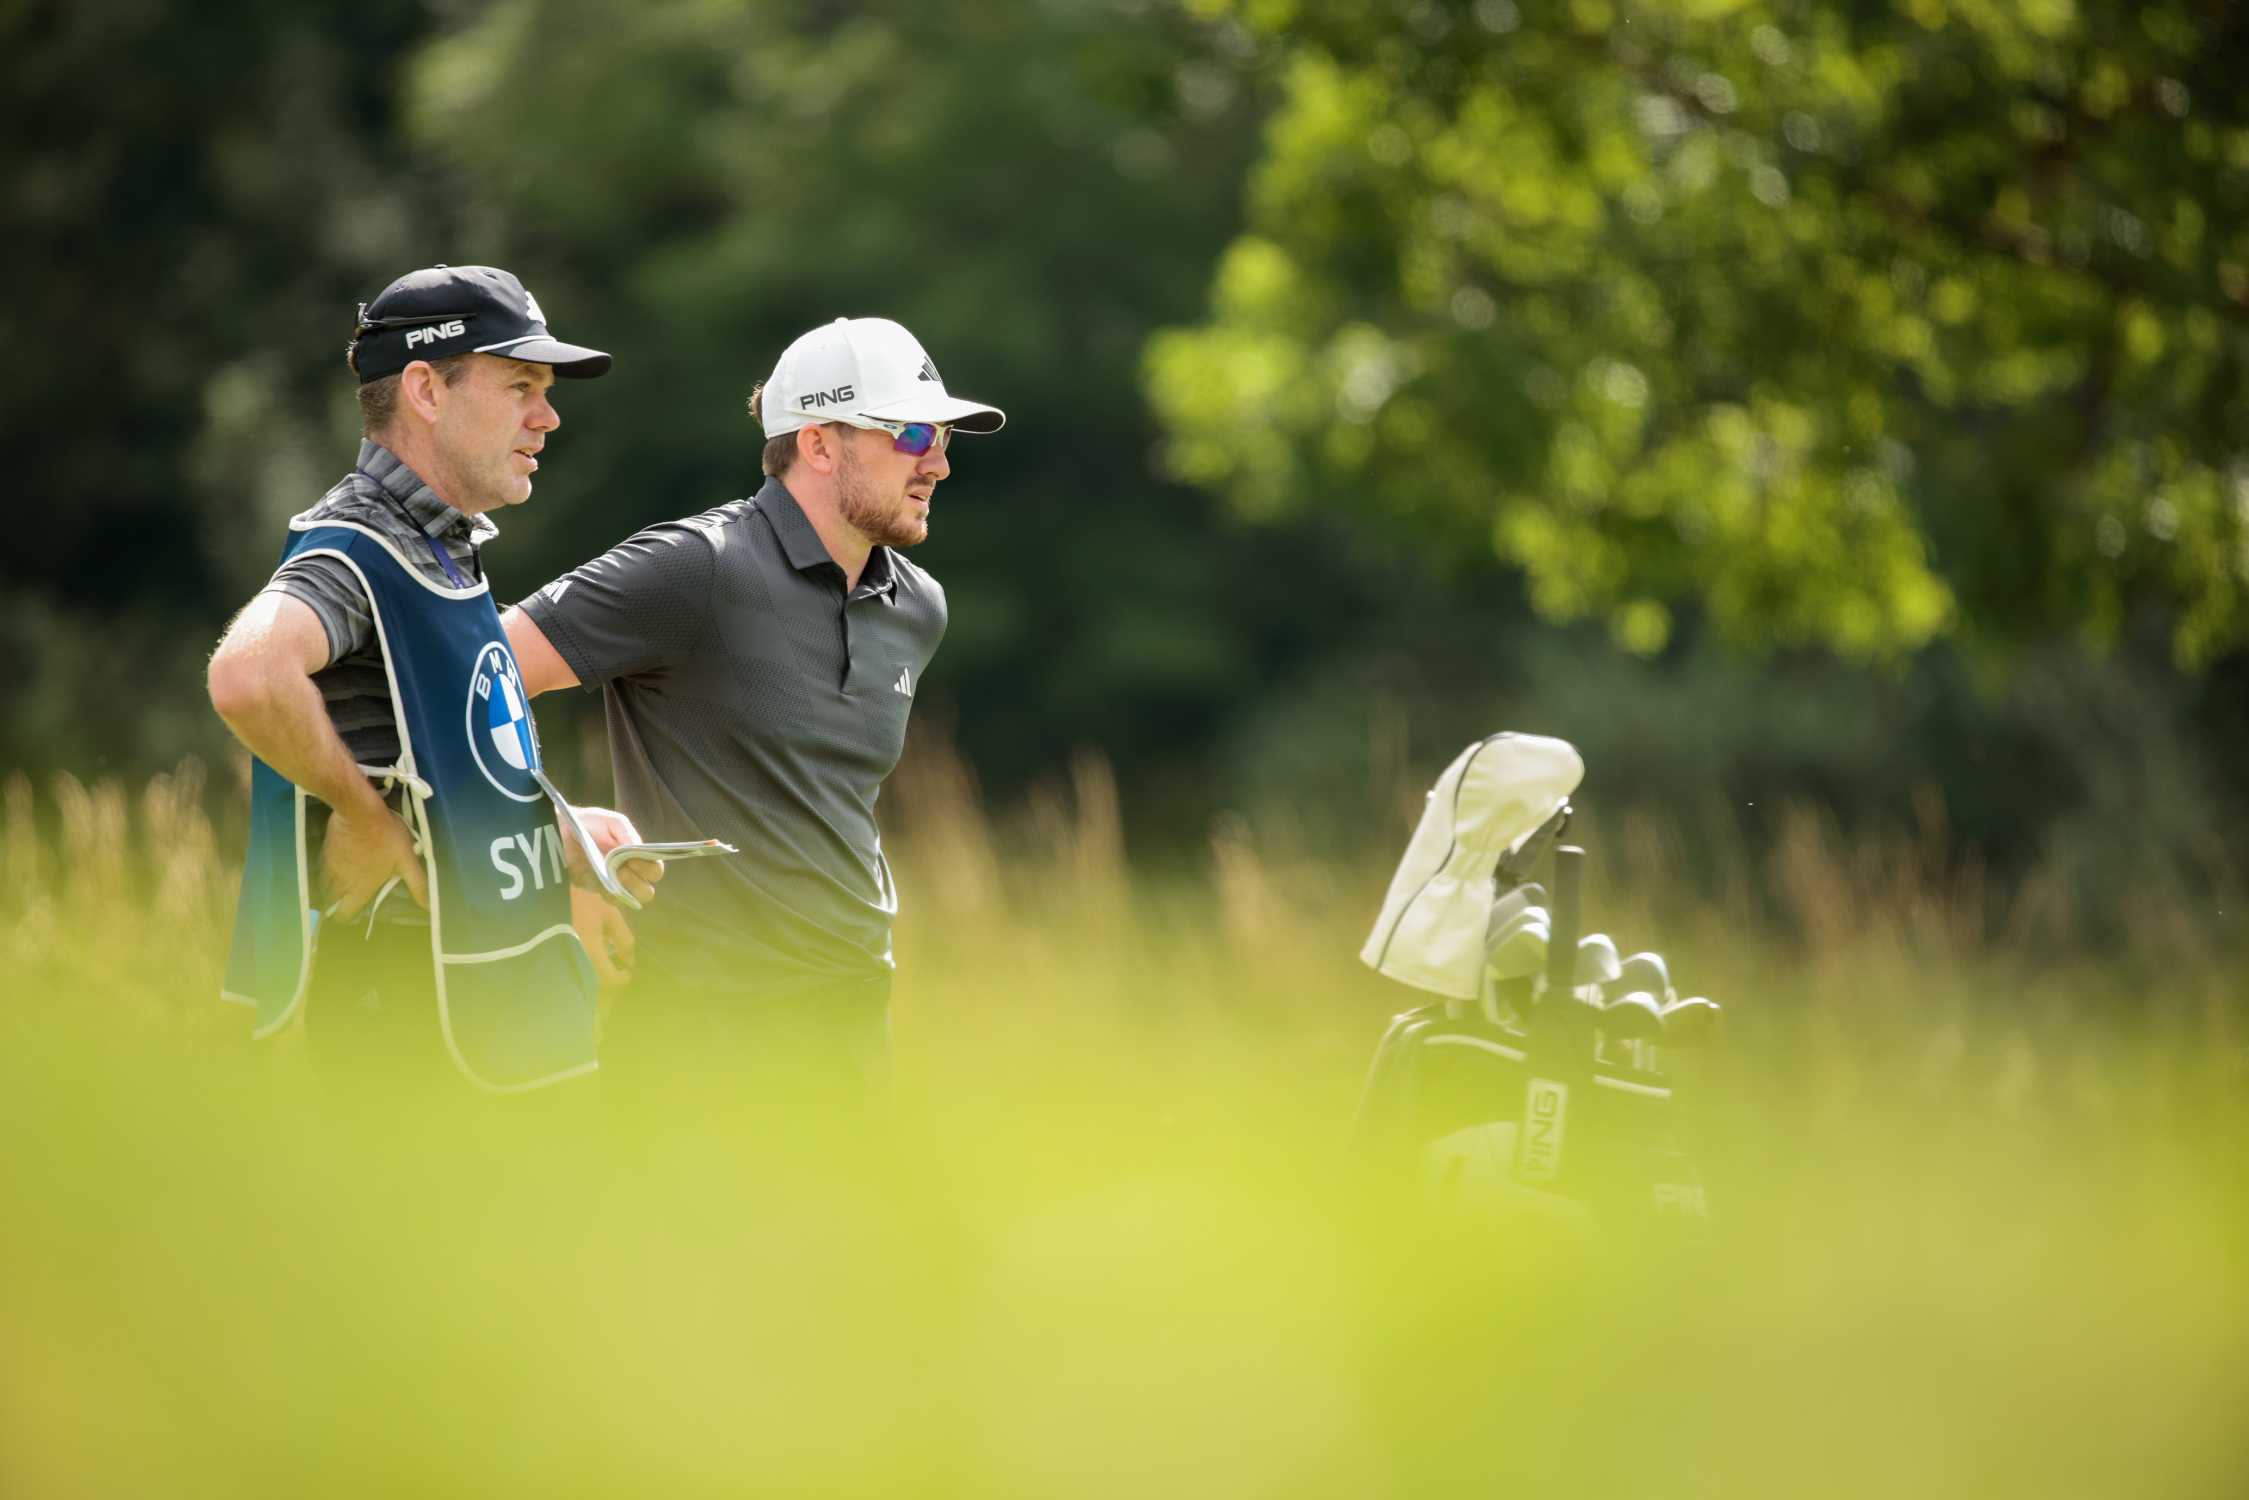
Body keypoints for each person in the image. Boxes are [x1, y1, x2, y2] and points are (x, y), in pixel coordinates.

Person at [502, 316, 1004, 1099]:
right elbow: (478, 678)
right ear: (818, 444)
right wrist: (557, 847)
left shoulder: (917, 606)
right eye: (910, 433)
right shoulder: (694, 568)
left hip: (853, 1014)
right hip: (702, 1032)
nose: (936, 462)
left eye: (943, 437)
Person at [208, 264, 660, 1093]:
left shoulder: (439, 548)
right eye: (521, 384)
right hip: (406, 1021)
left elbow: (439, 771)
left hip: (470, 1025)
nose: (547, 416)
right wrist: (359, 816)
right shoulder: (355, 543)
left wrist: (553, 832)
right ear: (424, 388)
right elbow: (248, 675)